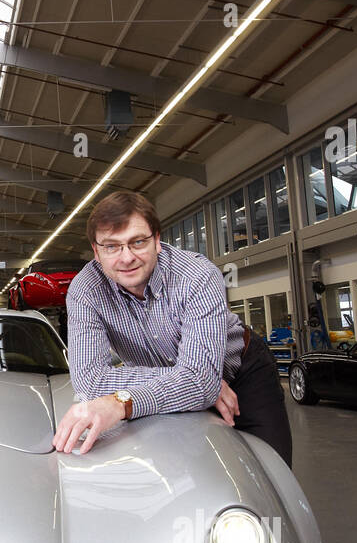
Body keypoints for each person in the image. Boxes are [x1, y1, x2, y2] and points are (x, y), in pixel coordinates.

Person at [53, 190, 292, 466]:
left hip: (243, 373)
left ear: (157, 240)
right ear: (96, 251)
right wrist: (193, 381)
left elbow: (199, 380)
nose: (126, 257)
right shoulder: (85, 292)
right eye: (111, 246)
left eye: (137, 242)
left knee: (270, 470)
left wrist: (122, 402)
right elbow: (90, 381)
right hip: (188, 384)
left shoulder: (198, 276)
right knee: (189, 474)